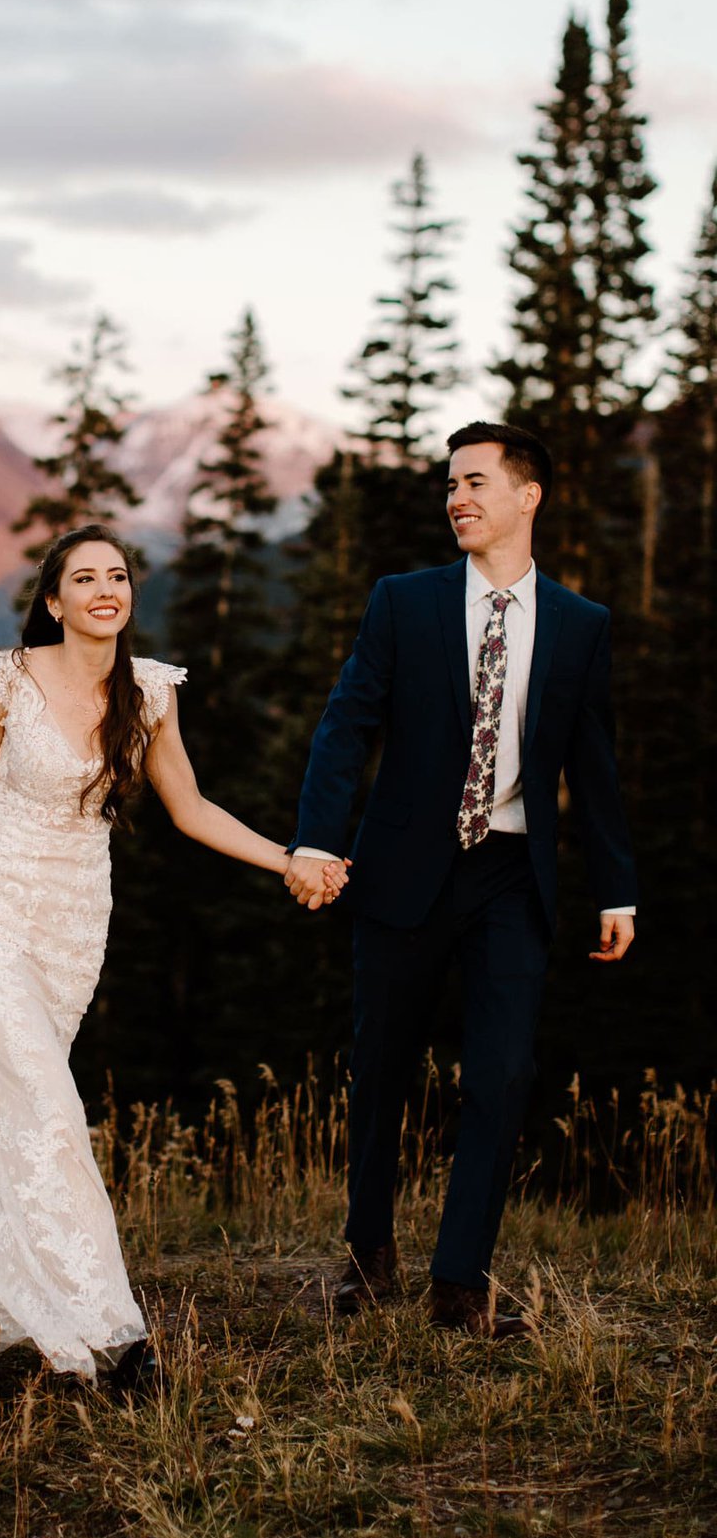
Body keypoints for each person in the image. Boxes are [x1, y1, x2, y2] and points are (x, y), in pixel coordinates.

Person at [0, 523, 347, 1392]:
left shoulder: (153, 693)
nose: (104, 590)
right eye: (83, 579)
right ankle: (108, 1337)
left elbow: (191, 808)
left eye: (116, 576)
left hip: (74, 925)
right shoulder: (7, 680)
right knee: (44, 1102)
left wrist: (291, 858)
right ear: (54, 602)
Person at [284, 422, 637, 1338]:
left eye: (475, 482)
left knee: (504, 1071)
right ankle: (368, 1258)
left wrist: (615, 889)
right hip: (401, 870)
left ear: (530, 496)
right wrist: (316, 843)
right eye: (450, 485)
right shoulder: (405, 603)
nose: (456, 499)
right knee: (381, 1069)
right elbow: (345, 725)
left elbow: (595, 767)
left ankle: (460, 1287)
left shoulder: (582, 625)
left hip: (514, 876)